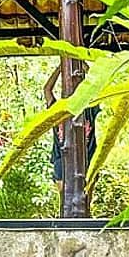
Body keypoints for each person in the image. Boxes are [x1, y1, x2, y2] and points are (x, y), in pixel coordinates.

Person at [44, 66, 98, 194]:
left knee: (85, 199)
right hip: (62, 161)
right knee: (65, 199)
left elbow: (97, 84)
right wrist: (60, 68)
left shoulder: (89, 108)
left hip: (87, 161)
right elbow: (47, 90)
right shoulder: (59, 110)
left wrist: (84, 65)